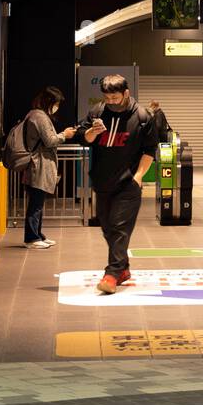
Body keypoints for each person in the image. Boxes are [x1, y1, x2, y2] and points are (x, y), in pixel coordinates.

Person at [70, 75, 158, 294]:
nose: (111, 101)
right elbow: (82, 137)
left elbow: (149, 151)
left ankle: (111, 274)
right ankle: (124, 269)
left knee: (119, 227)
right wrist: (91, 132)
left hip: (128, 183)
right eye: (107, 97)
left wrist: (139, 176)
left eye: (115, 97)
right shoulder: (97, 113)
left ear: (126, 93)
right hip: (102, 181)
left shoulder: (143, 116)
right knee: (108, 227)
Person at [21, 86, 76, 249]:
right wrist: (64, 135)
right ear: (49, 102)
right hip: (39, 166)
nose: (57, 107)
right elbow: (50, 141)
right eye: (56, 103)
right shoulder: (40, 117)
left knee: (38, 202)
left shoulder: (35, 114)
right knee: (36, 203)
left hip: (38, 165)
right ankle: (31, 238)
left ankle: (38, 235)